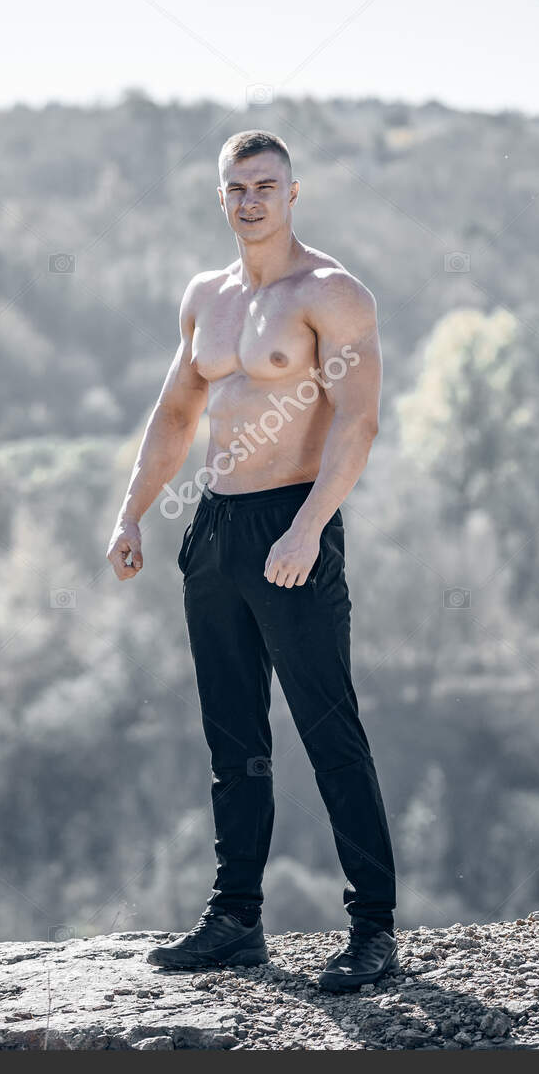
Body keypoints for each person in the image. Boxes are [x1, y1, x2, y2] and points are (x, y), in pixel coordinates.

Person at [105, 129, 398, 991]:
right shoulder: (208, 296)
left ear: (293, 193)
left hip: (292, 520)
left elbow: (359, 418)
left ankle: (373, 930)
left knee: (328, 729)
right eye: (236, 187)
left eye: (265, 185)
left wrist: (310, 526)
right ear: (221, 196)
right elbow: (174, 413)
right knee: (233, 739)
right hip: (215, 526)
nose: (250, 200)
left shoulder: (333, 292)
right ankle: (235, 919)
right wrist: (131, 512)